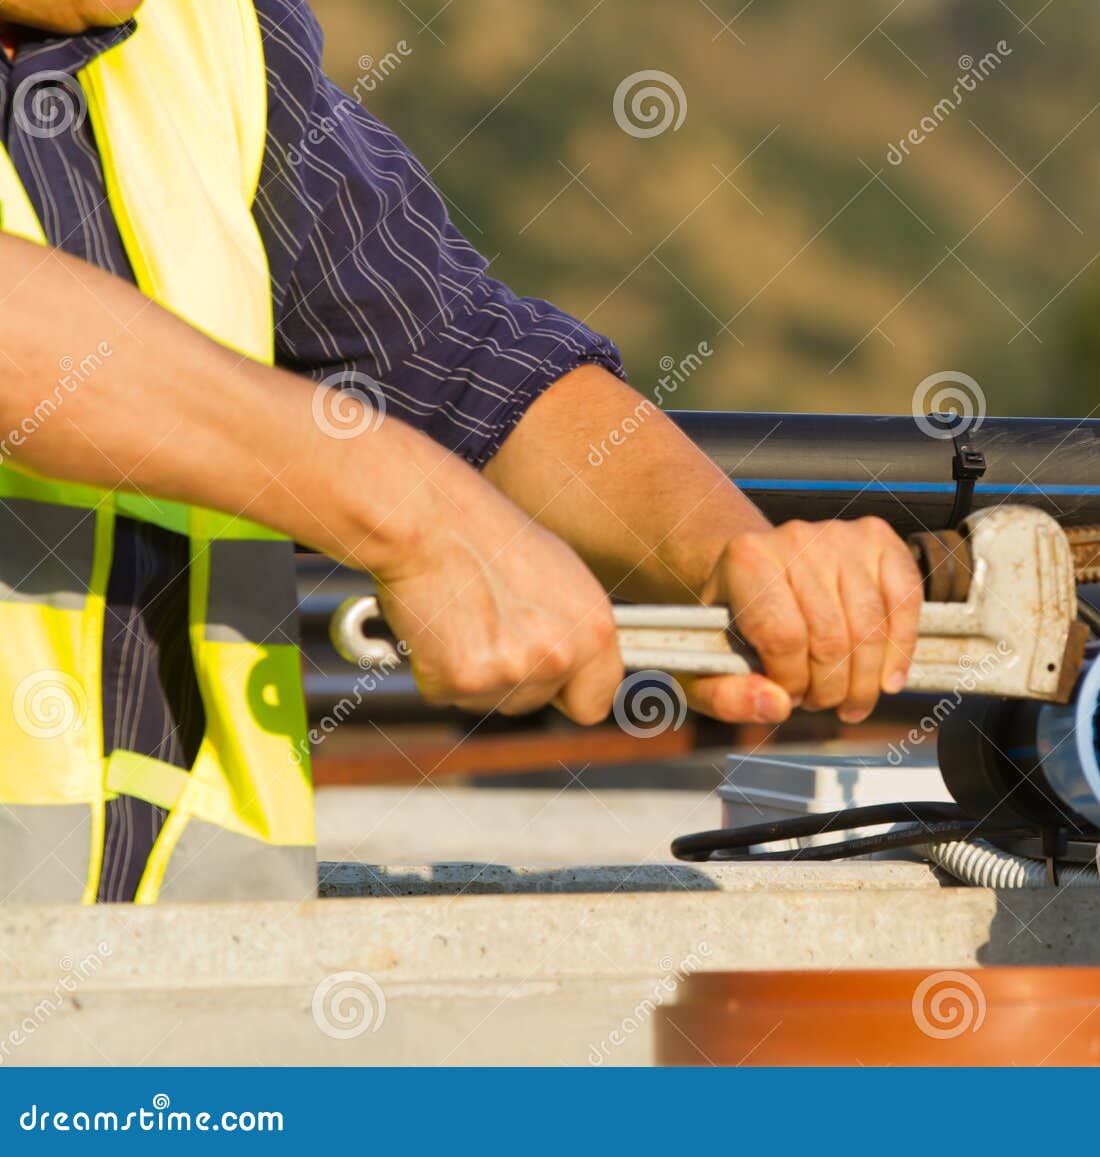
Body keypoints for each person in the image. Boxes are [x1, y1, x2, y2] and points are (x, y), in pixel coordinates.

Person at [0, 0, 922, 904]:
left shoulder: (215, 28)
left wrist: (731, 561)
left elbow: (459, 365)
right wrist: (412, 512)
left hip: (198, 959)